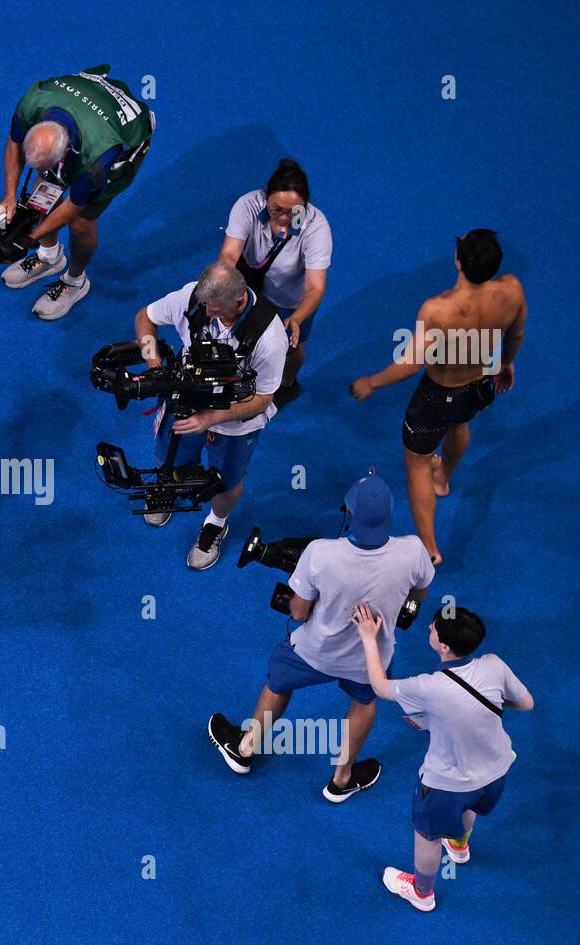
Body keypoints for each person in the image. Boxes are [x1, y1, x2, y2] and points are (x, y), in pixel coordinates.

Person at [207, 470, 434, 800]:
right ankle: (341, 779)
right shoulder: (414, 550)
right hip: (370, 659)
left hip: (314, 651)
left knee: (277, 683)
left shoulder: (320, 553)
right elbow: (419, 593)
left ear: (349, 511)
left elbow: (299, 613)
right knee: (364, 702)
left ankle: (244, 749)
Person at [349, 229, 527, 565]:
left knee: (417, 464)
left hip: (436, 398)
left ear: (458, 261)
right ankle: (443, 479)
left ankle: (430, 550)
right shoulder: (513, 289)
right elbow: (516, 334)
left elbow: (411, 364)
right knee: (459, 425)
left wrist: (372, 382)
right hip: (478, 388)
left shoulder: (437, 309)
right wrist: (505, 363)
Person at [351, 603, 533, 912]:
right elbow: (526, 704)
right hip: (497, 770)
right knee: (471, 806)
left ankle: (422, 893)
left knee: (427, 836)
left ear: (444, 646)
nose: (429, 628)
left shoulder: (428, 686)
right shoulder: (494, 664)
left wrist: (369, 638)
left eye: (433, 628)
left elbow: (379, 686)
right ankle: (459, 847)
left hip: (447, 784)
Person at [134, 261, 288, 569]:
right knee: (167, 459)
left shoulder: (269, 338)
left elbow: (263, 399)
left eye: (215, 310)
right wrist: (155, 367)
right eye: (206, 306)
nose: (207, 313)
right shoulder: (193, 298)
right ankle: (167, 490)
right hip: (185, 401)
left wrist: (210, 419)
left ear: (239, 300)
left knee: (226, 482)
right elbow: (144, 317)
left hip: (235, 419)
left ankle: (215, 524)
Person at [0, 64, 154, 320]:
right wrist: (9, 196)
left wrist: (30, 238)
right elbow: (14, 143)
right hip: (86, 104)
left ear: (67, 150)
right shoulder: (31, 105)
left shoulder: (98, 157)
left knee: (82, 222)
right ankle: (50, 257)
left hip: (124, 136)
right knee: (43, 189)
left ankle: (75, 281)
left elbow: (74, 206)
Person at [218, 158, 332, 407]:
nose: (283, 219)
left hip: (289, 301)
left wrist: (297, 318)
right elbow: (228, 255)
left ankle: (287, 386)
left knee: (290, 348)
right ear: (265, 197)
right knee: (241, 334)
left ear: (305, 204)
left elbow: (315, 288)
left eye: (294, 212)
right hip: (251, 284)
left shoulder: (316, 227)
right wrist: (223, 287)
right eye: (276, 209)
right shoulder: (248, 205)